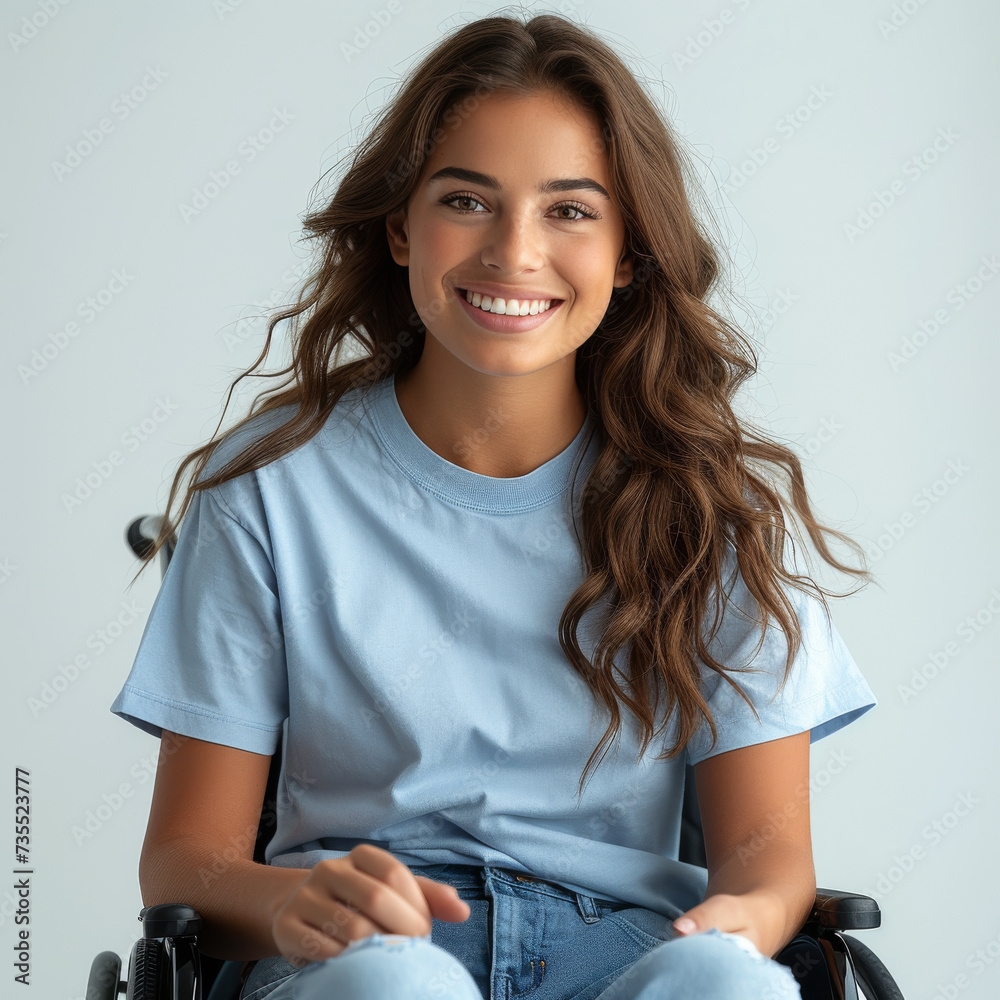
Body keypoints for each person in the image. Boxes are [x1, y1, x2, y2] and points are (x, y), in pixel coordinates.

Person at [109, 12, 878, 1000]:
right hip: (367, 952)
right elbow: (184, 861)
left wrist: (740, 927)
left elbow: (766, 857)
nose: (515, 251)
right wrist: (286, 905)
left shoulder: (708, 502)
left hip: (628, 946)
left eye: (569, 211)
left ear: (630, 252)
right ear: (399, 227)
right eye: (467, 199)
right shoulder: (269, 483)